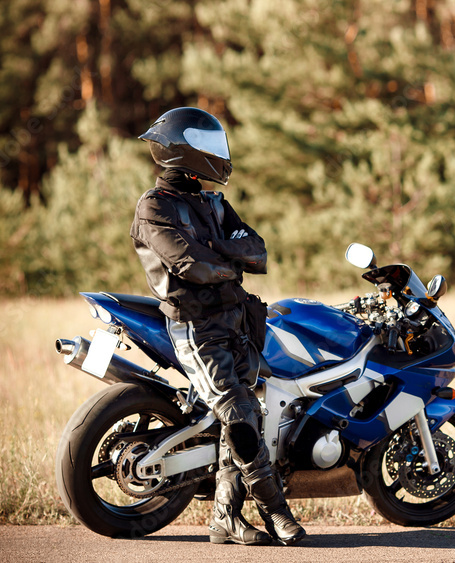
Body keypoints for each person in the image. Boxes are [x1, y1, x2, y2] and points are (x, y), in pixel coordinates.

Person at [129, 107, 305, 546]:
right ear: (182, 151)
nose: (215, 154)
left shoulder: (212, 203)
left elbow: (259, 253)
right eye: (205, 145)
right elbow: (190, 265)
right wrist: (230, 255)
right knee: (240, 418)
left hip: (239, 323)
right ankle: (276, 511)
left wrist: (218, 252)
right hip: (197, 327)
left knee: (244, 420)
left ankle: (225, 518)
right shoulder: (154, 206)